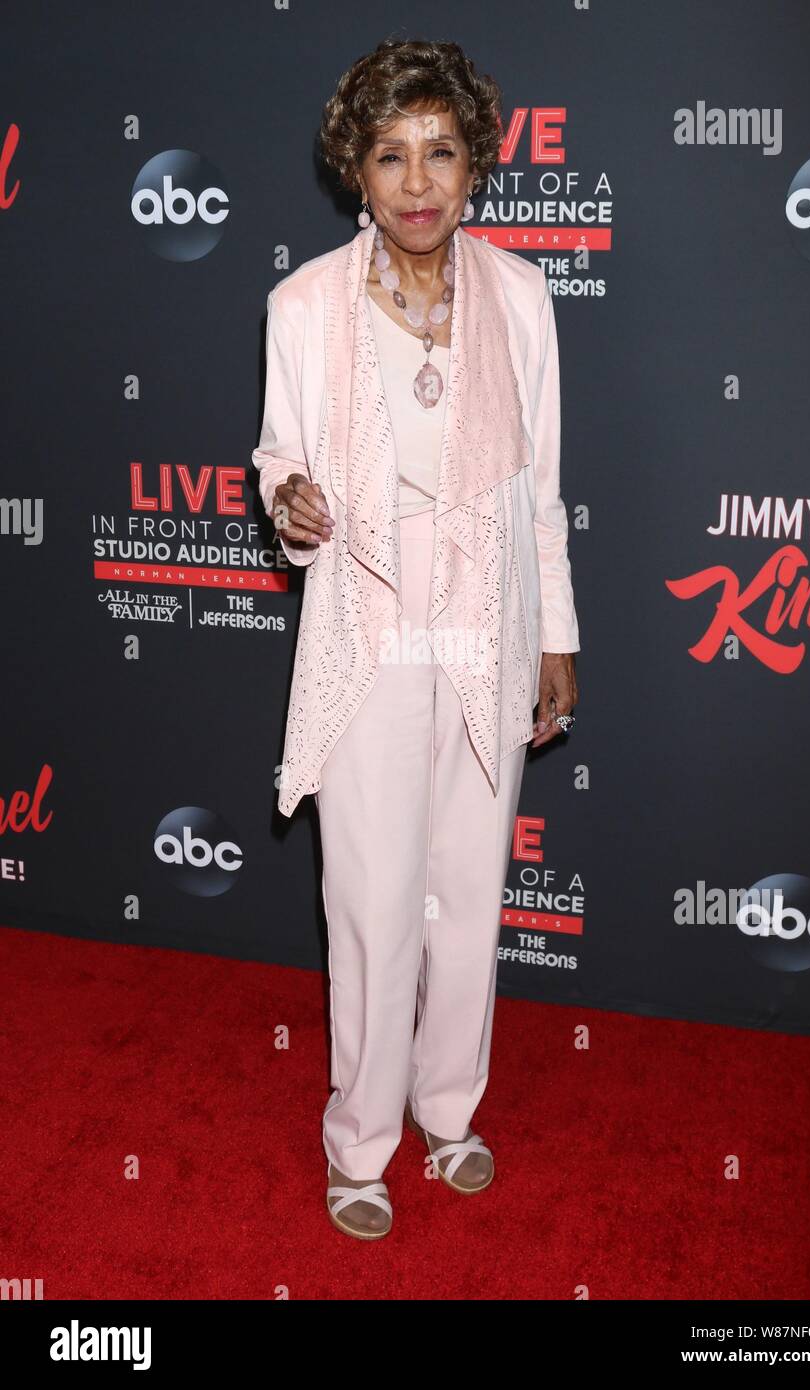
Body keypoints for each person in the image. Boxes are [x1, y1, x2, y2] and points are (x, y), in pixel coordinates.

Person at [252, 37, 580, 1240]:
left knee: (466, 897)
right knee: (370, 904)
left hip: (483, 636)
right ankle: (359, 1139)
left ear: (474, 162)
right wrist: (288, 502)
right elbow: (280, 459)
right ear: (355, 171)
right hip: (369, 636)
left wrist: (554, 630)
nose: (417, 179)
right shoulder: (300, 307)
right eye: (390, 154)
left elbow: (539, 484)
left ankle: (449, 1114)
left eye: (440, 149)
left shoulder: (522, 297)